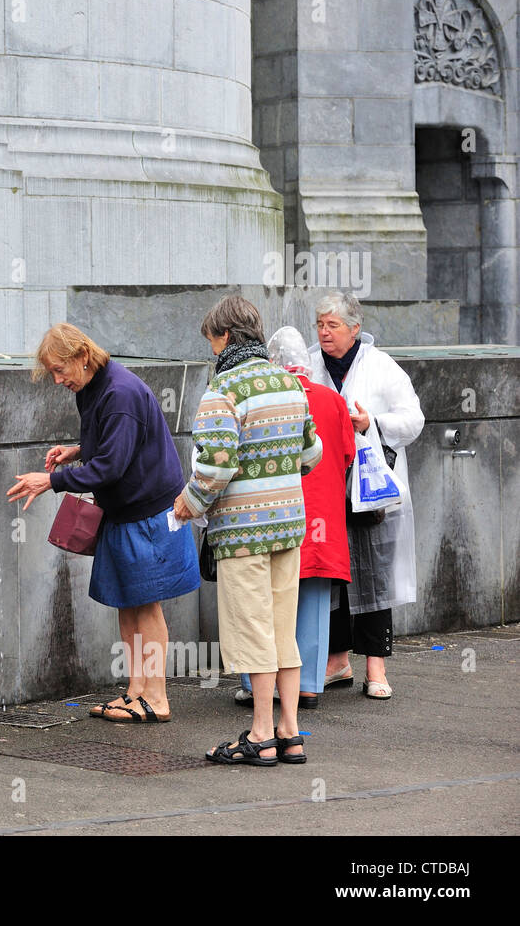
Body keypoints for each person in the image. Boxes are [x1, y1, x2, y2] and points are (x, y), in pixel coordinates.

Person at [7, 323, 200, 724]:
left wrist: (51, 481)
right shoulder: (97, 387)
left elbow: (111, 466)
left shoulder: (119, 393)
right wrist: (77, 449)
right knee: (128, 605)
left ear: (82, 355)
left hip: (147, 512)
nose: (58, 380)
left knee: (145, 606)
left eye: (60, 370)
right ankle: (136, 692)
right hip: (128, 510)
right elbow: (116, 444)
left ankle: (157, 698)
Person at [172, 296, 321, 766]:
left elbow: (215, 469)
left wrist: (186, 504)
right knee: (283, 629)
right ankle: (290, 732)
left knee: (253, 630)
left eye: (212, 340)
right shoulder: (289, 383)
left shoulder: (224, 390)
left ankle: (259, 734)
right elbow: (310, 454)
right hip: (287, 525)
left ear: (227, 338)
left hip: (241, 531)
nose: (211, 349)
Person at [308, 292, 424, 699]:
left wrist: (369, 422)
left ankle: (376, 668)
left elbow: (413, 420)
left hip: (371, 491)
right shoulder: (308, 364)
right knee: (332, 574)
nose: (324, 332)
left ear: (354, 328)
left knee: (373, 573)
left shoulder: (381, 366)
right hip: (325, 489)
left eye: (332, 325)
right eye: (320, 325)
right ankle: (337, 661)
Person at [235, 326, 354, 711]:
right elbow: (347, 455)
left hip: (273, 512)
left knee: (263, 602)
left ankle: (258, 686)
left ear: (273, 363)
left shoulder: (264, 396)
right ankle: (308, 684)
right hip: (323, 516)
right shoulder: (333, 400)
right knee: (315, 601)